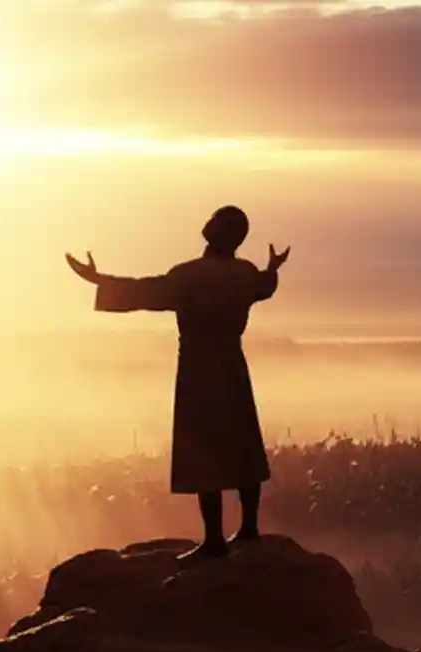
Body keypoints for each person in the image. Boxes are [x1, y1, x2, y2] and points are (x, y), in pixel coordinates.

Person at [66, 206, 290, 560]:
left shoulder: (191, 276)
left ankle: (214, 539)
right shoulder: (245, 273)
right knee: (242, 442)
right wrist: (273, 268)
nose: (209, 219)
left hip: (199, 369)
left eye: (217, 217)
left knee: (204, 448)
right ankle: (249, 527)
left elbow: (145, 292)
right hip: (233, 365)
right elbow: (264, 286)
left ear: (217, 231)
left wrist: (98, 281)